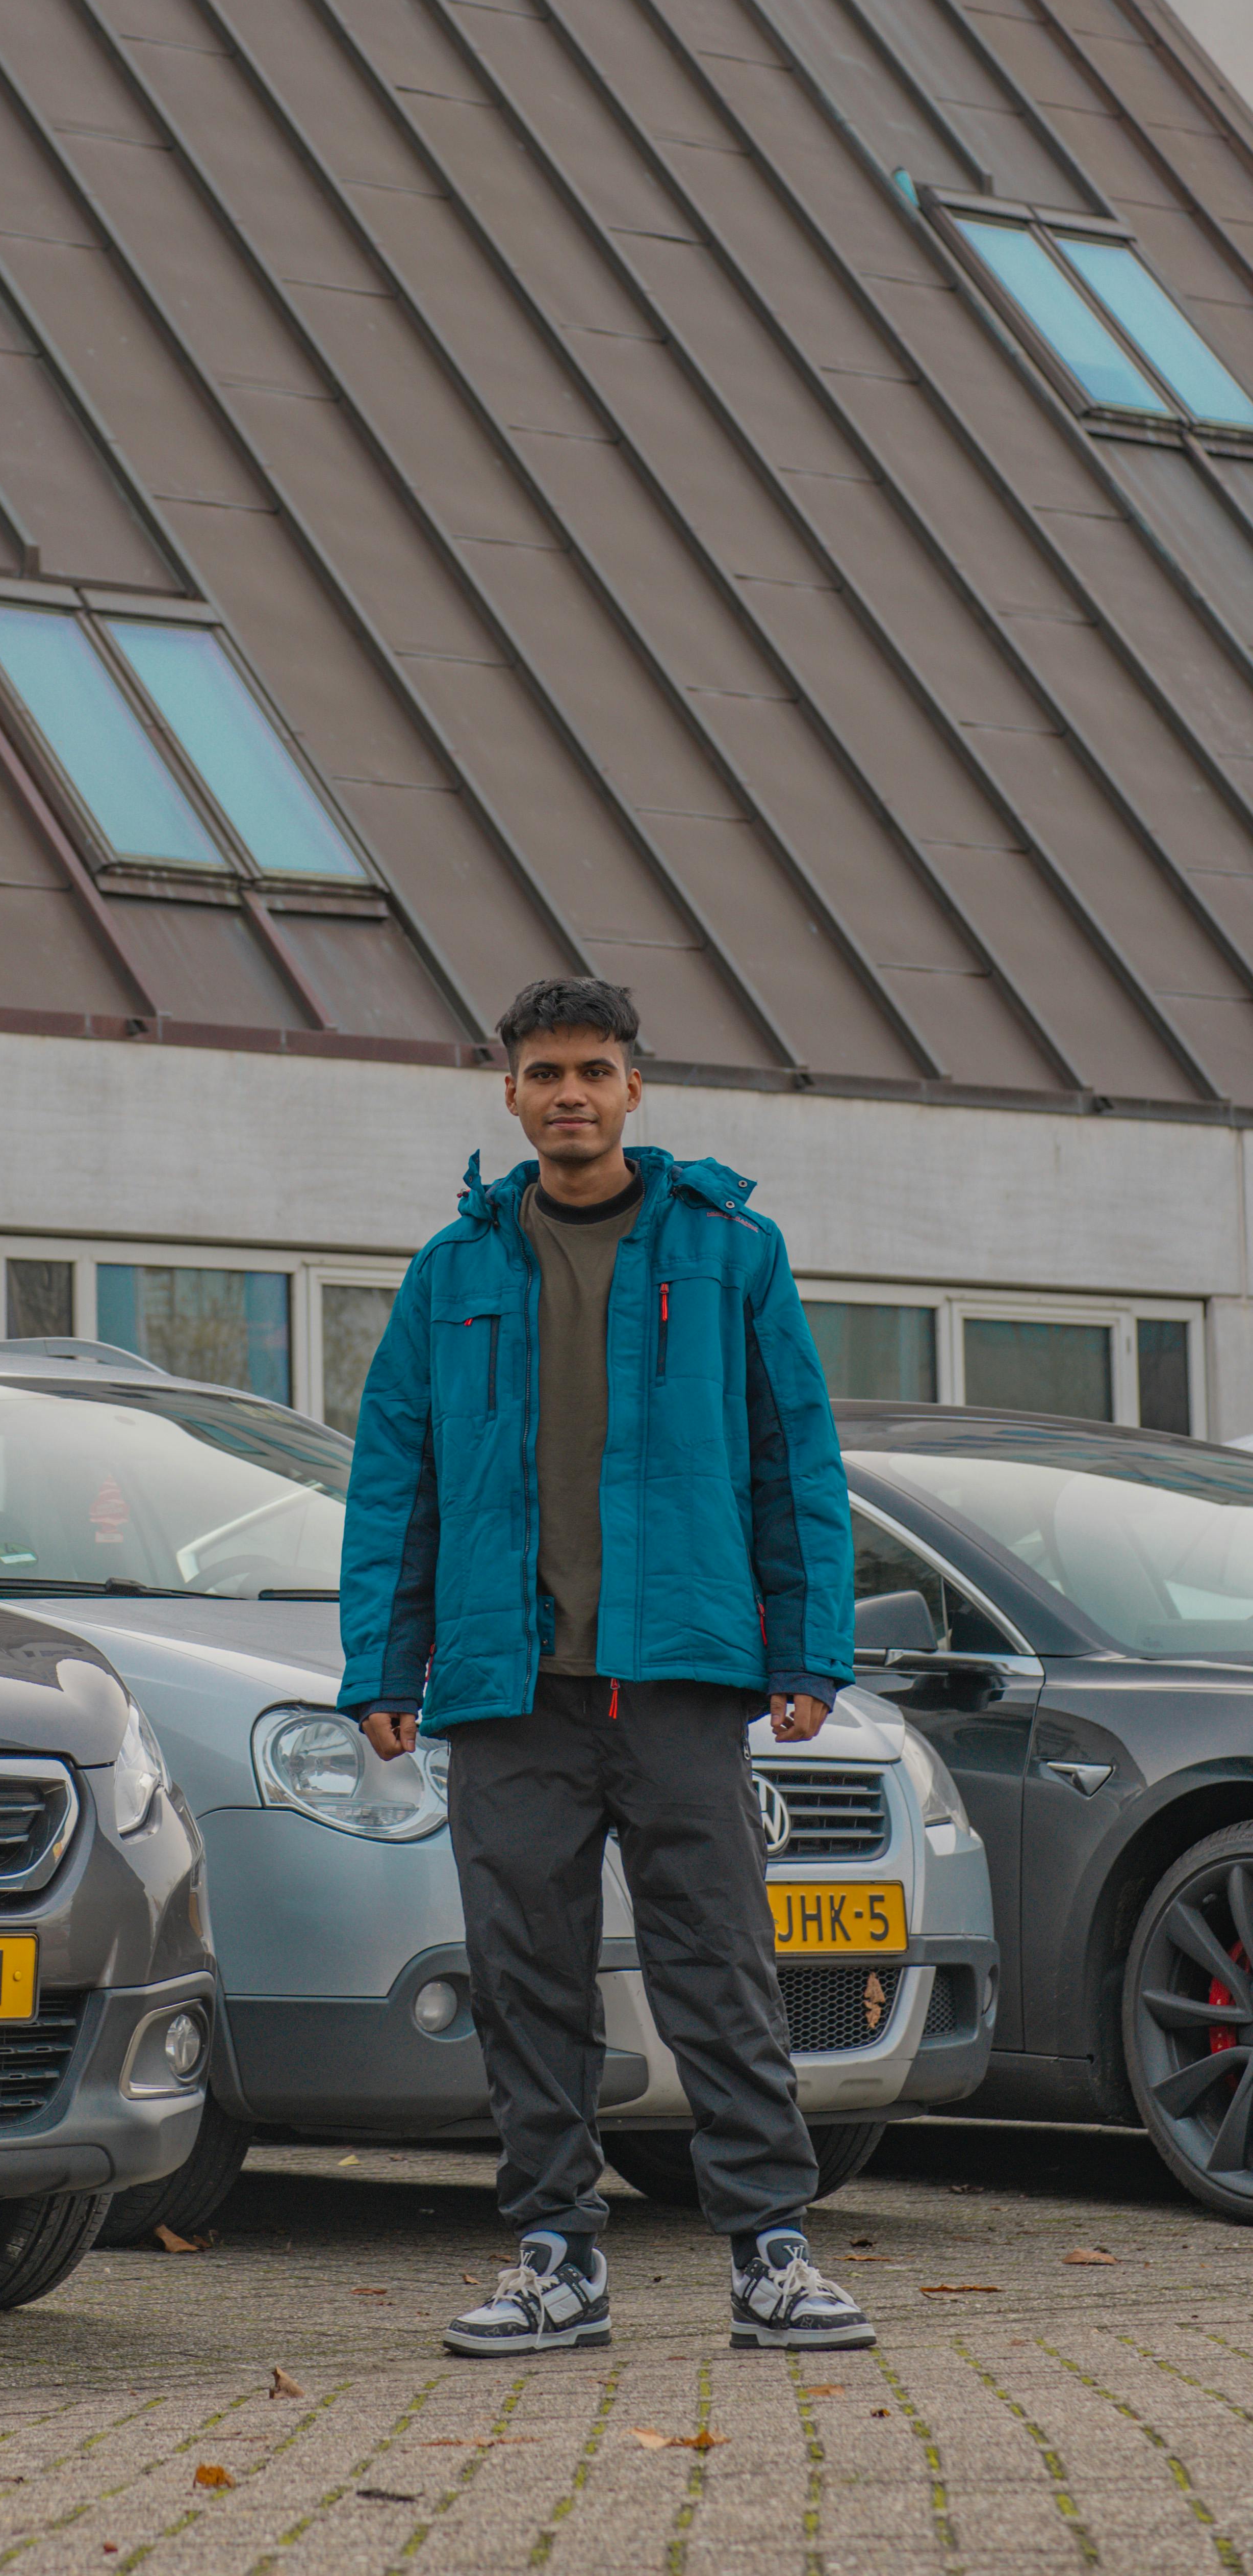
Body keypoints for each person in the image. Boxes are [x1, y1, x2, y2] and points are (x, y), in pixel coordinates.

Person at [338, 975, 872, 2355]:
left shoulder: (730, 1251)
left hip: (681, 1677)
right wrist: (383, 1667)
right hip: (510, 1690)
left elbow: (792, 1458)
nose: (569, 1094)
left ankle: (772, 2253)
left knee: (720, 1967)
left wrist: (810, 1646)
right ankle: (555, 2255)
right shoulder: (452, 1271)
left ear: (635, 1089)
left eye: (594, 1070)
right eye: (545, 1073)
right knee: (529, 1975)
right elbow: (397, 1481)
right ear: (507, 1094)